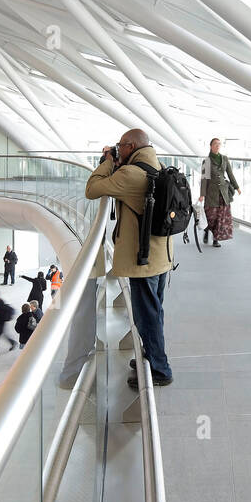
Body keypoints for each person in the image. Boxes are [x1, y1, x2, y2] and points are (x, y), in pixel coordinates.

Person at [85, 128, 175, 388]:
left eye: (121, 145)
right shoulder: (157, 165)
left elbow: (92, 189)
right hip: (161, 254)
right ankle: (152, 353)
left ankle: (161, 369)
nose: (118, 149)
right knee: (154, 311)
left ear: (131, 145)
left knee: (146, 315)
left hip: (143, 259)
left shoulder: (129, 174)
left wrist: (106, 163)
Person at [199, 138, 239, 247]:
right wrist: (202, 194)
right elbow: (204, 179)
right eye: (215, 144)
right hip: (211, 193)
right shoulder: (206, 161)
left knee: (220, 217)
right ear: (211, 146)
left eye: (219, 144)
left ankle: (216, 239)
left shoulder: (225, 159)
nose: (217, 146)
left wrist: (237, 187)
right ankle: (207, 230)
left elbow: (230, 174)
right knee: (210, 216)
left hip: (223, 193)